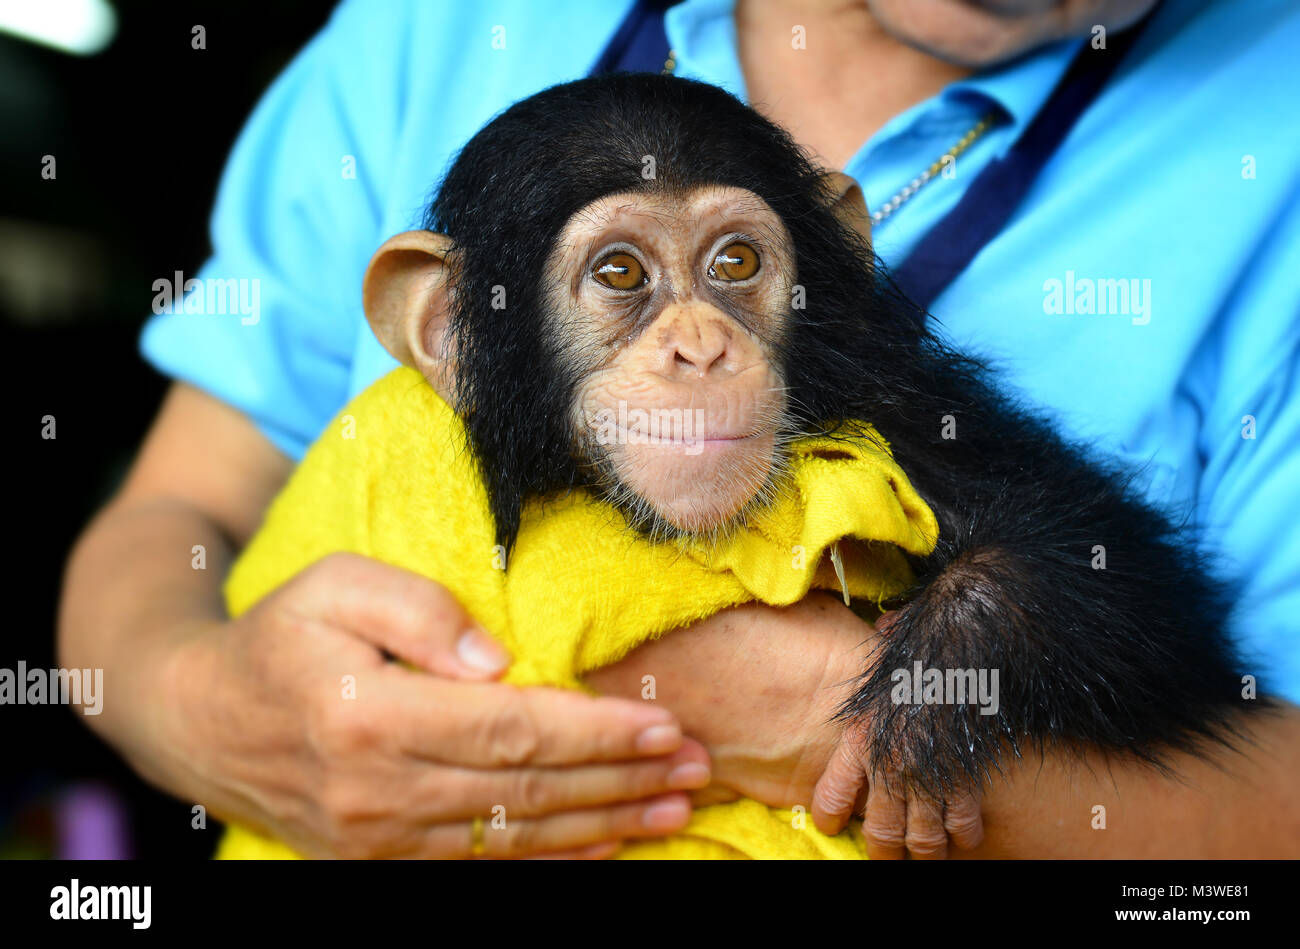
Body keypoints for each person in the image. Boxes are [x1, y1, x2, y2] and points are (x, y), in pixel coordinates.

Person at [59, 0, 1300, 859]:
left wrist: (819, 709)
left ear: (834, 263)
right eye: (620, 279)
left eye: (736, 265)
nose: (696, 339)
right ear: (445, 332)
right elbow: (176, 515)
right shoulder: (425, 33)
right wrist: (209, 708)